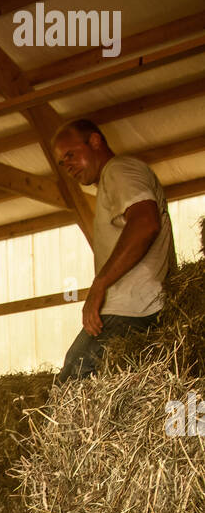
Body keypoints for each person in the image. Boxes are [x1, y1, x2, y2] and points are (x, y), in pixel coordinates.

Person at [51, 118, 176, 385]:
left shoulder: (119, 170)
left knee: (72, 387)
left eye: (71, 155)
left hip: (131, 310)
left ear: (95, 141)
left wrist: (99, 286)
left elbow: (145, 223)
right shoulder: (114, 181)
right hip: (137, 307)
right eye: (62, 162)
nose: (67, 166)